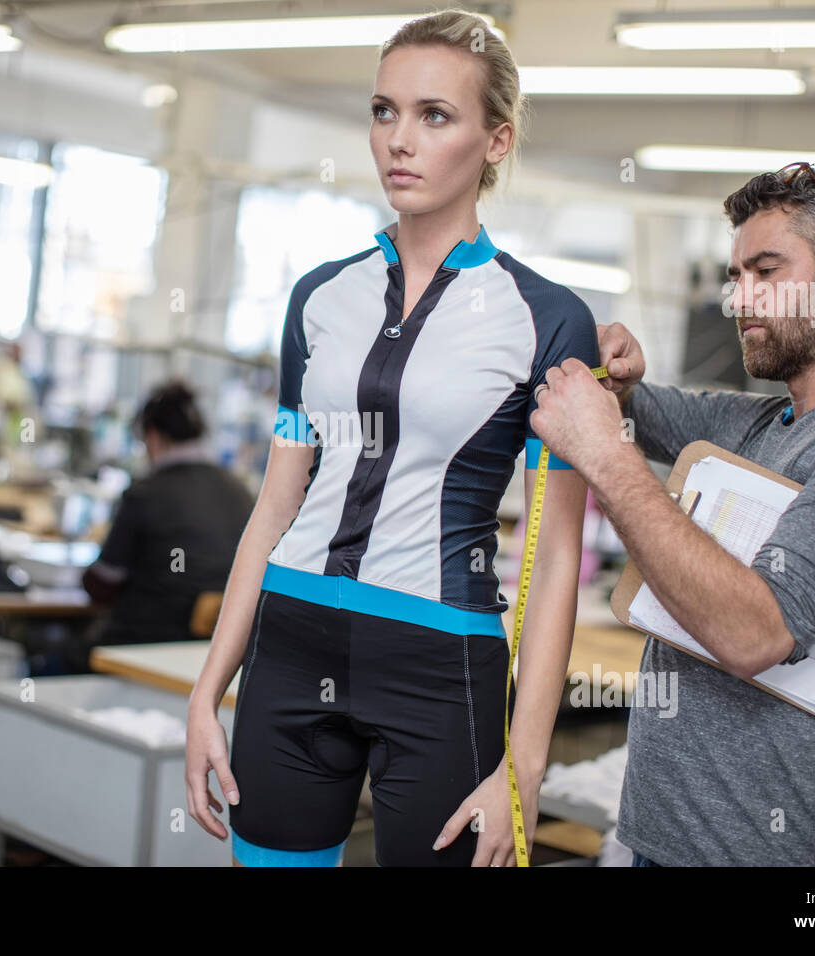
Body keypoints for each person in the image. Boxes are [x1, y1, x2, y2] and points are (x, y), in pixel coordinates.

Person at [185, 9, 599, 867]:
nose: (398, 141)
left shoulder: (550, 320)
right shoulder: (319, 297)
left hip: (441, 668)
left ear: (496, 141)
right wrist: (206, 692)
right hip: (289, 645)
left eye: (434, 115)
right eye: (384, 111)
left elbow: (555, 560)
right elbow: (275, 505)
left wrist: (522, 765)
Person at [529, 163, 815, 866]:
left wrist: (609, 460)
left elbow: (754, 631)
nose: (741, 299)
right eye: (737, 276)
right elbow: (633, 406)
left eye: (767, 272)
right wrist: (617, 374)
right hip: (655, 847)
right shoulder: (764, 423)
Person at [79, 380, 254, 660]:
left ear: (152, 437)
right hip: (215, 655)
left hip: (145, 644)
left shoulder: (146, 493)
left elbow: (102, 584)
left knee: (58, 649)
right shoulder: (238, 489)